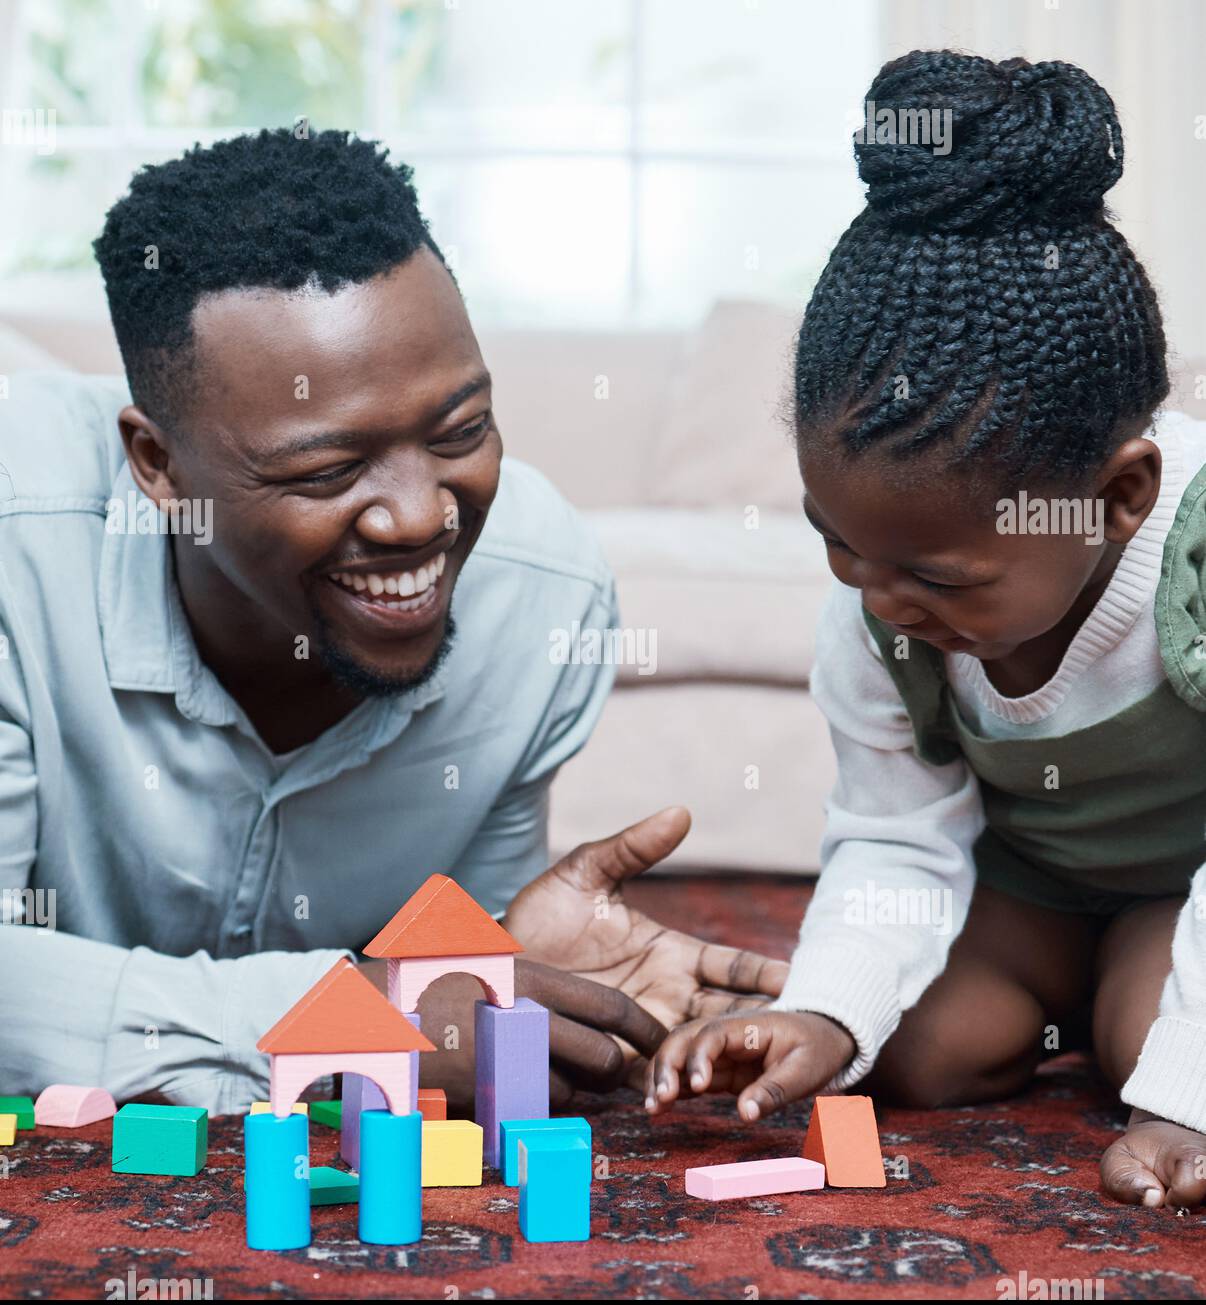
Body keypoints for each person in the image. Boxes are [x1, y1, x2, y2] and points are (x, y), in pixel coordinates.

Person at [0, 128, 785, 1115]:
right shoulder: (16, 549)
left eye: (459, 432)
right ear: (157, 467)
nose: (422, 516)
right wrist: (342, 1013)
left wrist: (497, 951)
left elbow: (448, 989)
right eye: (327, 471)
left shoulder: (543, 598)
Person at [646, 50, 1206, 1210]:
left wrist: (1184, 1093)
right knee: (912, 1055)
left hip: (1188, 878)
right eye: (839, 543)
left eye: (941, 576)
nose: (881, 597)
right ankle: (1081, 989)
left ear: (1119, 497)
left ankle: (1127, 999)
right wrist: (825, 1007)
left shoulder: (1189, 562)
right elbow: (895, 840)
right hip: (1030, 882)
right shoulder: (876, 610)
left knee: (1151, 1040)